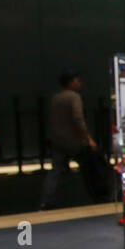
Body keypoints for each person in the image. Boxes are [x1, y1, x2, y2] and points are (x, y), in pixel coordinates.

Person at [41, 69, 108, 208]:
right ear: (71, 82)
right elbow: (78, 118)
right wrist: (88, 138)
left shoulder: (56, 98)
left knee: (56, 171)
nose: (79, 82)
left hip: (58, 140)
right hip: (75, 140)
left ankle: (46, 201)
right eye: (77, 80)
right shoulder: (74, 97)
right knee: (89, 168)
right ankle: (98, 195)